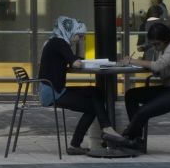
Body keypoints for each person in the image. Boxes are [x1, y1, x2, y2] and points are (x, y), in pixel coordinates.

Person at [104, 20, 170, 153]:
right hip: (169, 88)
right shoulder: (163, 48)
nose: (155, 47)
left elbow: (157, 66)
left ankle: (126, 137)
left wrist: (132, 60)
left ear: (166, 39)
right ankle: (135, 138)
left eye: (157, 44)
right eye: (153, 44)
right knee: (131, 95)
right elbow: (159, 69)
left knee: (144, 111)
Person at [37, 15, 114, 155]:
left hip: (54, 89)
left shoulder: (54, 41)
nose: (80, 39)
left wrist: (78, 59)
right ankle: (100, 132)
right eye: (79, 35)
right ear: (70, 31)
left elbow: (71, 59)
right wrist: (82, 60)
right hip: (53, 93)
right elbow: (75, 63)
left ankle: (106, 128)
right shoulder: (60, 43)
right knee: (93, 107)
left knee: (94, 91)